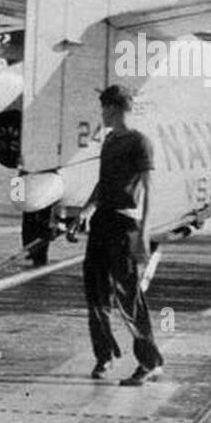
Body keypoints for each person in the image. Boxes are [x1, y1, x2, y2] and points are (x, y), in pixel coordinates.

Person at [77, 85, 164, 386]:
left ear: (113, 108)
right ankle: (105, 356)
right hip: (101, 222)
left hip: (125, 225)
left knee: (128, 296)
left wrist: (144, 233)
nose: (102, 113)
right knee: (96, 294)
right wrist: (87, 210)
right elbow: (103, 184)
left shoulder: (140, 142)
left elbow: (149, 189)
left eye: (104, 108)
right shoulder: (111, 140)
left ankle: (150, 362)